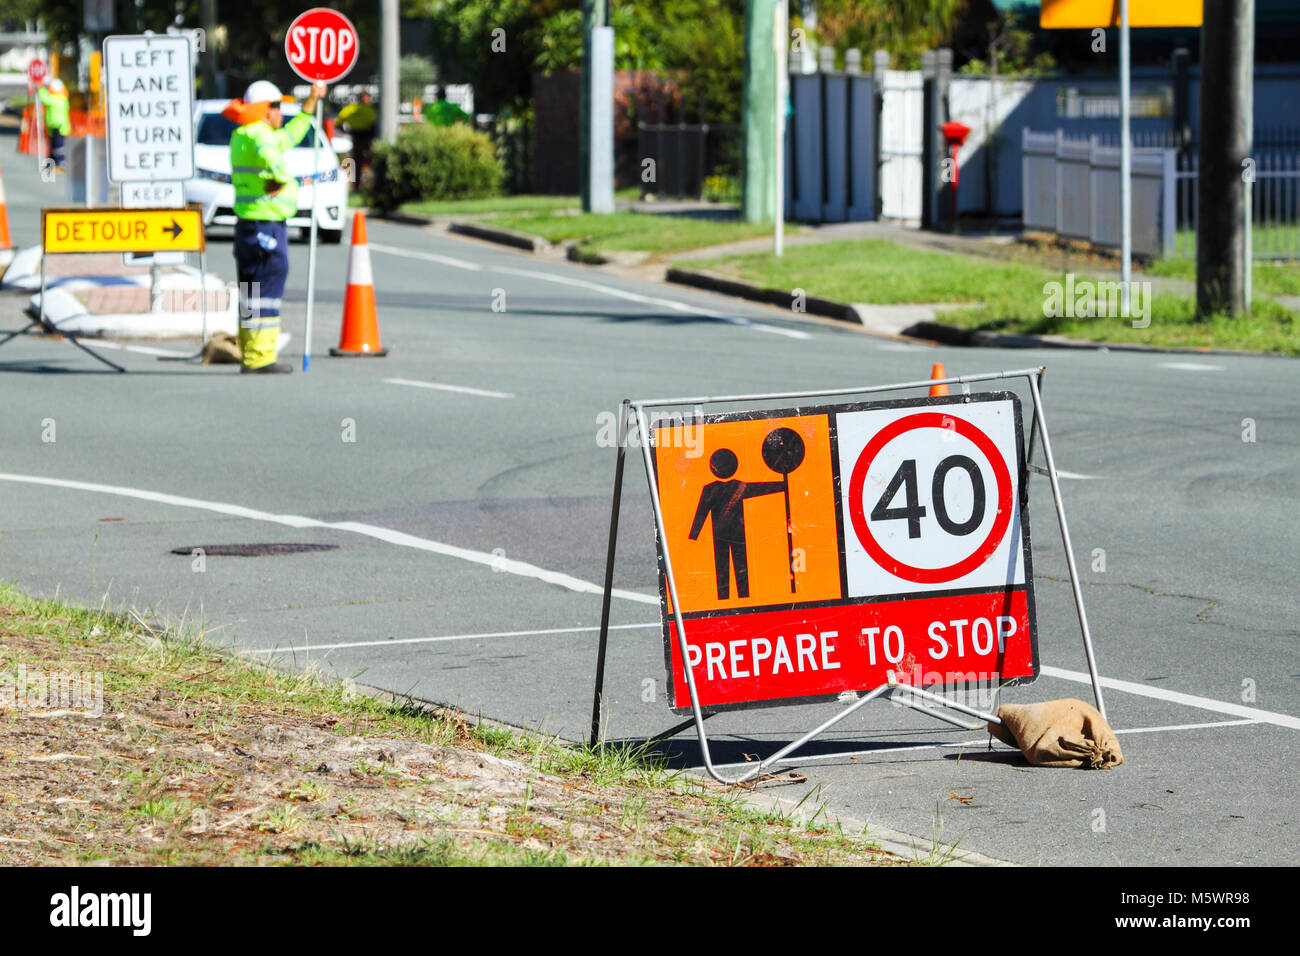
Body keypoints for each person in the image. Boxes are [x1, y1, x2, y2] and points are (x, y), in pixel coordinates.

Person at [222, 79, 326, 374]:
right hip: (265, 225)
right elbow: (272, 158)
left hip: (249, 225)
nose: (281, 114)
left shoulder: (244, 134)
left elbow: (288, 137)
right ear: (265, 109)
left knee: (250, 291)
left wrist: (310, 105)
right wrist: (283, 180)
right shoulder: (259, 136)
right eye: (278, 107)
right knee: (266, 289)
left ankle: (250, 354)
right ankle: (260, 358)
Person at [337, 90, 376, 174]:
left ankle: (359, 179)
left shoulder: (350, 108)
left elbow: (338, 121)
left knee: (358, 160)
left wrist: (344, 132)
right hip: (362, 136)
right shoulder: (368, 110)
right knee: (365, 159)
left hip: (358, 136)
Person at [36, 78, 70, 170]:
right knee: (53, 146)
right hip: (54, 126)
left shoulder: (58, 99)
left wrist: (40, 88)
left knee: (58, 146)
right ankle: (52, 163)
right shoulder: (62, 98)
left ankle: (61, 163)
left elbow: (45, 99)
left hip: (59, 127)